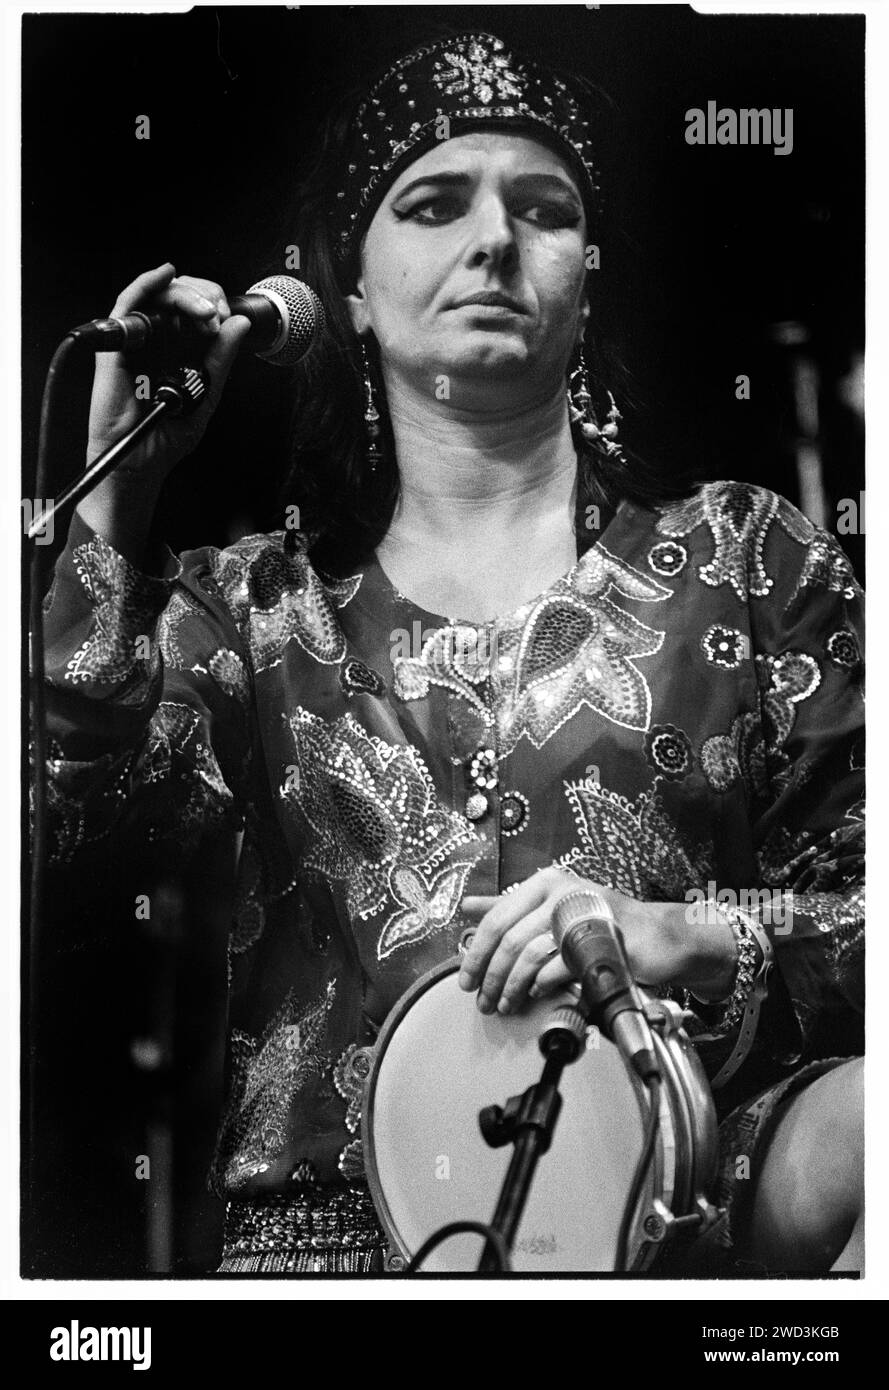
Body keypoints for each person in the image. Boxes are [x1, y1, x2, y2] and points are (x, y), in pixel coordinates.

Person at [39, 31, 863, 1274]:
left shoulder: (752, 561)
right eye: (434, 205)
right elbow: (68, 829)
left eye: (542, 211)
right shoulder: (254, 611)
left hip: (680, 1214)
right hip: (333, 1244)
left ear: (586, 273)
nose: (493, 240)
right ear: (352, 289)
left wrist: (678, 929)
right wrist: (119, 502)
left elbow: (858, 914)